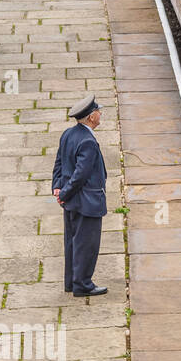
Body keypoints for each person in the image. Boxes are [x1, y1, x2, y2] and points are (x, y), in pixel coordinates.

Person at [52, 96, 109, 298]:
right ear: (92, 117)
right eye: (99, 111)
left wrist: (57, 189)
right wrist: (65, 192)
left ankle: (71, 282)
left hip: (72, 203)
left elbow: (59, 164)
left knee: (72, 243)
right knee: (86, 245)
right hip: (87, 202)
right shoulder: (88, 141)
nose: (101, 114)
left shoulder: (68, 134)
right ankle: (83, 285)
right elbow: (80, 175)